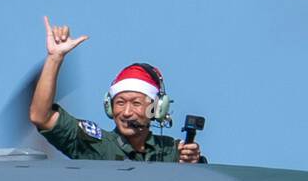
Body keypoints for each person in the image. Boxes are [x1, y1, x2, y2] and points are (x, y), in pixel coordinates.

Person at [28, 17, 203, 163]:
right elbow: (41, 116)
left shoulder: (172, 152)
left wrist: (191, 162)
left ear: (156, 109)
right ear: (109, 107)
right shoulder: (97, 145)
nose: (126, 112)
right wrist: (55, 58)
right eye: (120, 103)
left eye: (135, 103)